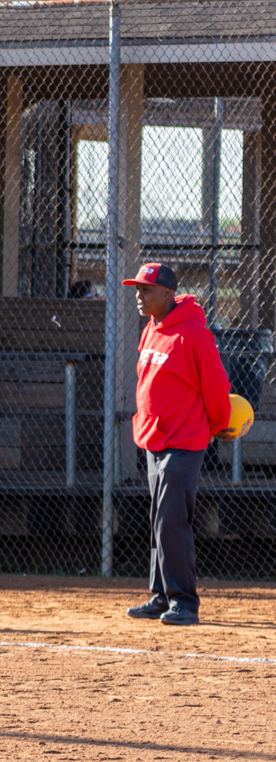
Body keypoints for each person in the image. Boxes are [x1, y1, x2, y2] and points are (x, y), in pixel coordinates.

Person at [122, 262, 232, 627]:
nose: (139, 296)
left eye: (146, 290)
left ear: (168, 293)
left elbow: (216, 388)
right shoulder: (150, 330)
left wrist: (215, 426)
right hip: (155, 439)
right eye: (137, 289)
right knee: (159, 519)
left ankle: (184, 601)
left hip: (184, 441)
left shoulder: (194, 334)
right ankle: (161, 596)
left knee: (172, 520)